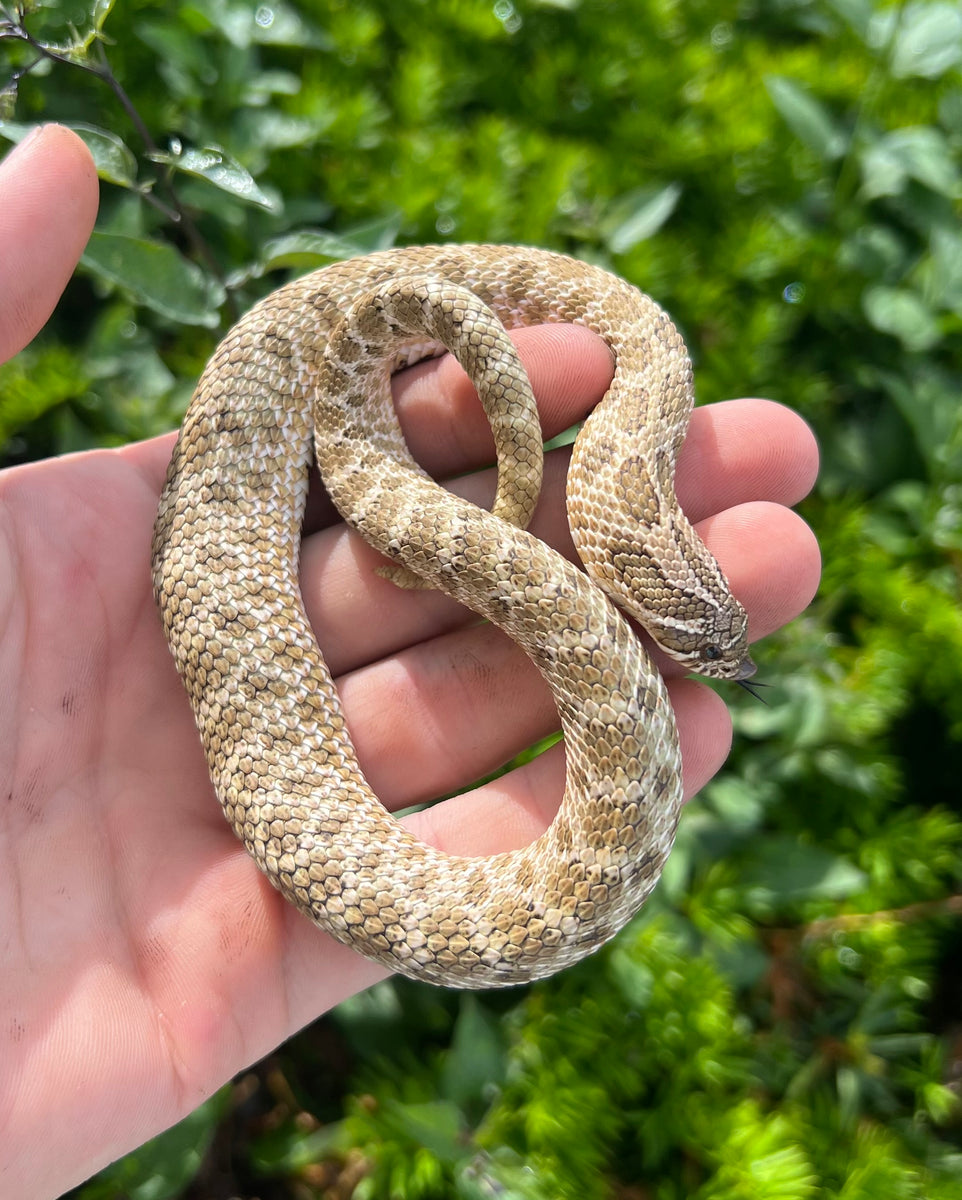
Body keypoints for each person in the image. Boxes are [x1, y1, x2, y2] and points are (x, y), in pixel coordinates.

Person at [0, 126, 820, 1199]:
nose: (713, 659)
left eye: (704, 642)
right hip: (255, 514)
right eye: (695, 637)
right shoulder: (595, 519)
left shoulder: (641, 399)